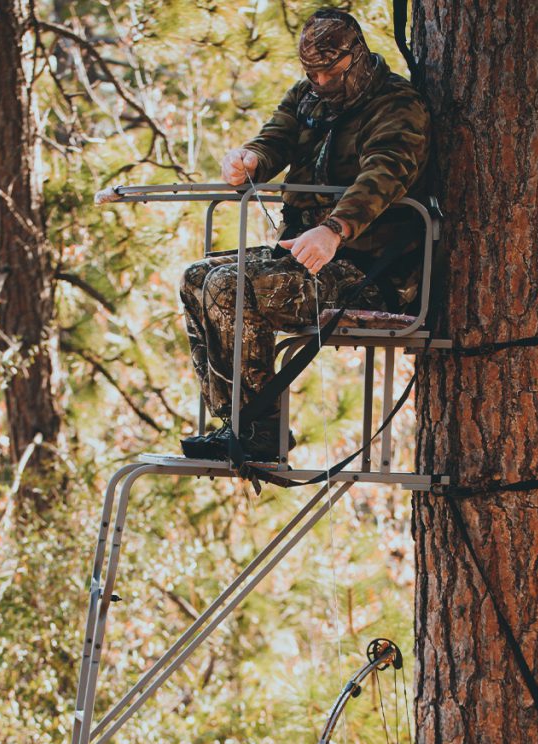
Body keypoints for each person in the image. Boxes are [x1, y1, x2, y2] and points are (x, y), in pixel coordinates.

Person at [179, 7, 431, 462]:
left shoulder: (397, 104)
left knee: (230, 286)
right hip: (303, 254)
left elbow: (386, 173)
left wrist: (334, 229)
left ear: (357, 56)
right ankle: (238, 423)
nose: (321, 82)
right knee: (197, 278)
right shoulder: (307, 96)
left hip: (370, 271)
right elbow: (276, 138)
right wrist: (251, 158)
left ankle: (263, 431)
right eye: (312, 74)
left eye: (331, 72)